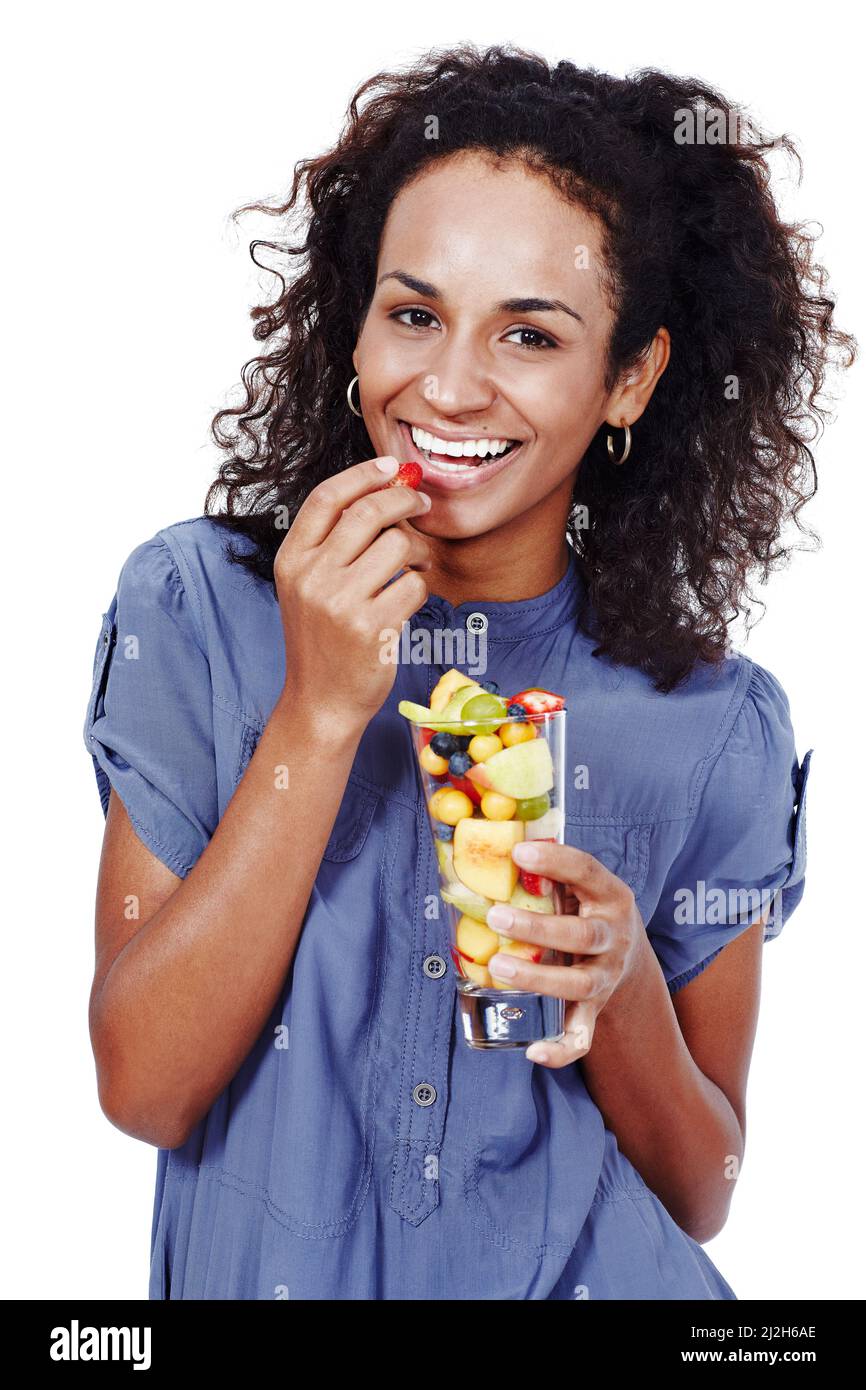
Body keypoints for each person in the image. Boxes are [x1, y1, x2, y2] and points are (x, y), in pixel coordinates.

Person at [83, 45, 853, 1300]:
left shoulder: (710, 726)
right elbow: (144, 1087)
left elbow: (701, 1192)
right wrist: (319, 715)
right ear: (357, 319)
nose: (444, 385)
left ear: (629, 378)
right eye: (414, 312)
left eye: (529, 334)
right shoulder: (203, 608)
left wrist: (626, 983)